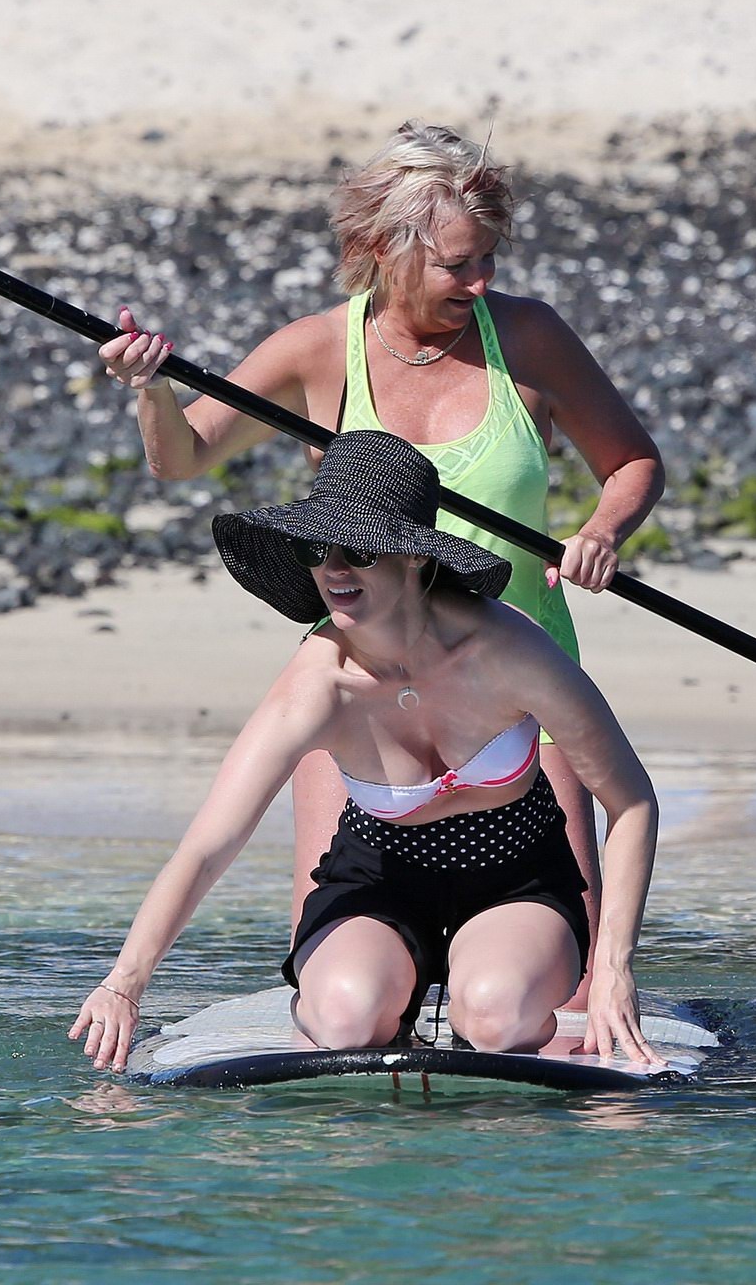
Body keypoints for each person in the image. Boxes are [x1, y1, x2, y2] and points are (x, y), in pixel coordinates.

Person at [100, 121, 665, 985]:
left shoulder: (530, 338)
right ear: (381, 249)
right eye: (455, 264)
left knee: (572, 972)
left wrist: (601, 530)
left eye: (488, 261)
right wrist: (153, 389)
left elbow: (631, 462)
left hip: (519, 669)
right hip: (364, 678)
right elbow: (181, 457)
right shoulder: (317, 350)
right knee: (330, 966)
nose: (479, 283)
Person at [68, 431, 660, 1072]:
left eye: (357, 548)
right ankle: (360, 1000)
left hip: (516, 876)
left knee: (497, 1016)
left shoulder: (510, 650)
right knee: (348, 1020)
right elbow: (212, 841)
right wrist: (124, 982)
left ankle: (470, 1014)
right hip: (378, 879)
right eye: (318, 548)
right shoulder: (318, 682)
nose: (334, 568)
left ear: (413, 558)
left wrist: (612, 970)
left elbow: (631, 802)